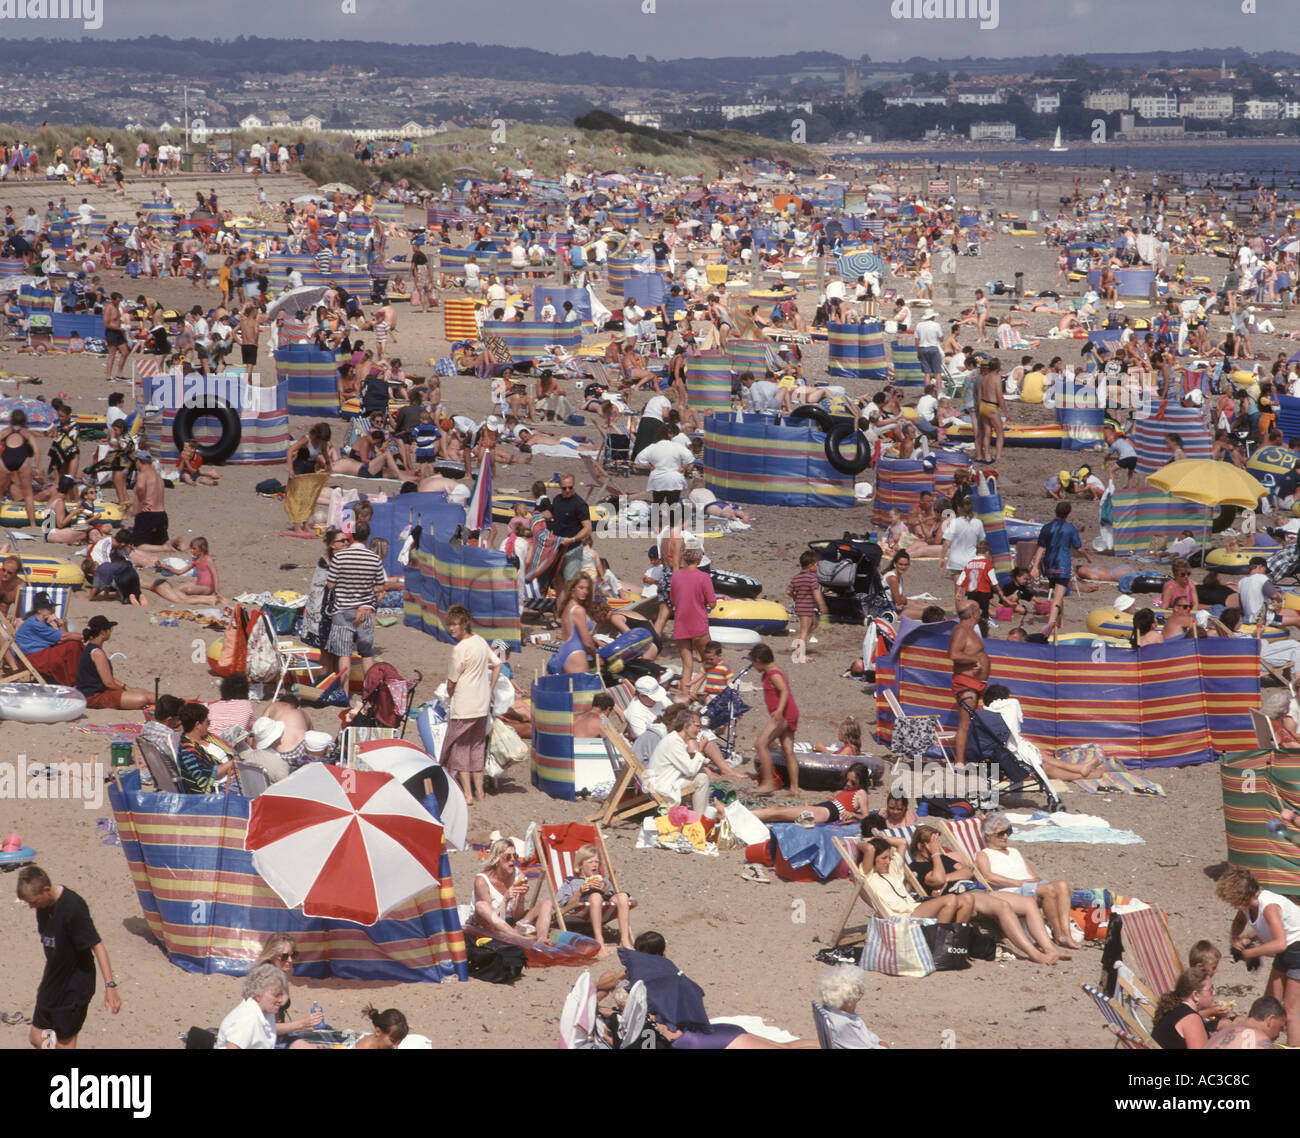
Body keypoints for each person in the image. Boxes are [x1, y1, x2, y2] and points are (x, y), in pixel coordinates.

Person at [907, 825, 1068, 964]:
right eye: (934, 843)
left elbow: (968, 871)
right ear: (922, 846)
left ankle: (1049, 949)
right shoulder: (917, 867)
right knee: (1002, 907)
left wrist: (946, 876)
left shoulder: (942, 859)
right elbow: (936, 879)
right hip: (964, 896)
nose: (938, 846)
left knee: (1028, 903)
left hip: (978, 889)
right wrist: (935, 856)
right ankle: (1034, 954)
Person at [18, 865, 121, 1050]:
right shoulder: (43, 905)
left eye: (33, 901)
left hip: (74, 986)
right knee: (36, 1037)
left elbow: (97, 945)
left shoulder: (73, 908)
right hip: (52, 981)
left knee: (64, 1044)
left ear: (46, 890)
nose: (32, 907)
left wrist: (110, 985)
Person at [1215, 865, 1300, 1043]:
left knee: (1292, 1011)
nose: (1230, 904)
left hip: (1296, 948)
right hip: (1287, 952)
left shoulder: (1269, 907)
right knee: (1270, 1003)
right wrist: (1234, 938)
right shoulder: (1247, 907)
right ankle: (1263, 1042)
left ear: (1240, 895)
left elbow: (1279, 943)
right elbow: (1239, 921)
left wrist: (1251, 953)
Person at [976, 812, 1077, 951]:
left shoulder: (1014, 851)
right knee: (1049, 890)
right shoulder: (984, 854)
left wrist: (1034, 881)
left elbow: (1032, 875)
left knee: (1062, 885)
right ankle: (1059, 935)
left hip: (1029, 886)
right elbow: (988, 877)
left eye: (1008, 832)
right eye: (1001, 833)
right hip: (1012, 891)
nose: (1005, 836)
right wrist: (1020, 883)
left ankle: (1066, 934)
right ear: (988, 836)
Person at [443, 603, 501, 805]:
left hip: (464, 704)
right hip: (481, 703)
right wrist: (490, 687)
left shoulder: (459, 649)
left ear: (464, 624)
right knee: (477, 747)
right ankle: (480, 793)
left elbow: (452, 680)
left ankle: (467, 795)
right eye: (449, 625)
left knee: (460, 749)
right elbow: (498, 663)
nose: (451, 629)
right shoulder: (480, 641)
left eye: (454, 625)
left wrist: (450, 694)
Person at [325, 522, 389, 676]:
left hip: (342, 610)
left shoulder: (339, 557)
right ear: (368, 537)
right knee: (367, 654)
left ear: (351, 536)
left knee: (344, 654)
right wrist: (366, 588)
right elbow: (381, 586)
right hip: (366, 610)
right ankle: (368, 693)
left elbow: (330, 585)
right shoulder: (375, 559)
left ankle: (344, 696)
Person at [554, 843, 634, 955]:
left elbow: (611, 895)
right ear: (581, 865)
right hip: (582, 908)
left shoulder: (603, 880)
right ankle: (599, 941)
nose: (595, 865)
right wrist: (579, 892)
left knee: (623, 896)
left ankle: (625, 940)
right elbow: (562, 905)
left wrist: (605, 890)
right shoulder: (572, 882)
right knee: (596, 896)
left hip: (602, 904)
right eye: (590, 862)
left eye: (597, 862)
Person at [472, 838, 553, 942]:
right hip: (488, 926)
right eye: (507, 856)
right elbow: (489, 921)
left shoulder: (518, 876)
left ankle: (542, 938)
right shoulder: (481, 881)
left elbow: (517, 917)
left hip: (511, 923)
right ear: (496, 859)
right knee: (481, 905)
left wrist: (521, 897)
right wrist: (505, 900)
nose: (513, 859)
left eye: (515, 856)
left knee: (547, 903)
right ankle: (519, 938)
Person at [252, 933, 325, 1043]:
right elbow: (266, 1028)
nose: (290, 960)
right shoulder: (267, 981)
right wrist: (302, 1024)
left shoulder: (284, 973)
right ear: (271, 956)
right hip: (264, 1039)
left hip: (280, 1036)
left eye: (293, 955)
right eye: (284, 956)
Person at [1030, 500, 1089, 631]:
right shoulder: (1070, 528)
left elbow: (1040, 548)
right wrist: (1087, 557)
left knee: (1058, 593)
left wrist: (1035, 566)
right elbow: (1079, 548)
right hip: (1062, 564)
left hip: (1049, 564)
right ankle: (1051, 623)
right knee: (1058, 595)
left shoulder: (1047, 527)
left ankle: (1061, 622)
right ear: (1068, 513)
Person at [749, 642, 799, 796]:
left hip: (782, 715)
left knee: (760, 744)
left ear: (759, 660)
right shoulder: (775, 671)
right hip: (790, 713)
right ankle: (794, 789)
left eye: (753, 662)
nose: (753, 666)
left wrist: (778, 710)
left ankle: (768, 782)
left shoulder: (773, 674)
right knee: (788, 751)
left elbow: (784, 691)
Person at [753, 762, 870, 826]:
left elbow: (866, 816)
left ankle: (746, 815)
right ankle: (748, 816)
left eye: (853, 782)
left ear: (862, 782)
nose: (848, 784)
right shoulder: (852, 790)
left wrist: (854, 815)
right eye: (847, 780)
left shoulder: (861, 793)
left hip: (828, 812)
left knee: (777, 812)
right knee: (779, 815)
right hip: (824, 808)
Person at [75, 614, 152, 709]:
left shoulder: (91, 648)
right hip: (93, 696)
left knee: (142, 691)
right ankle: (169, 701)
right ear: (103, 632)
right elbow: (109, 683)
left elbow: (107, 677)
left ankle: (168, 700)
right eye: (109, 629)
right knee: (141, 699)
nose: (110, 632)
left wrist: (125, 686)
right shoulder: (97, 653)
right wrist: (124, 691)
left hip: (91, 693)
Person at [216, 964, 296, 1050]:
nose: (280, 1000)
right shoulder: (248, 1019)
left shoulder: (267, 1012)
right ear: (258, 994)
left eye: (281, 994)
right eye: (276, 995)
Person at [948, 602, 989, 767]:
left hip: (974, 683)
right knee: (964, 724)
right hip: (966, 683)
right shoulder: (961, 630)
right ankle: (959, 762)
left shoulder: (968, 630)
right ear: (975, 613)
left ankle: (967, 759)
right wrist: (975, 660)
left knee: (971, 723)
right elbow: (953, 654)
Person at [670, 547, 715, 693]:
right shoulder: (703, 577)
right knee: (710, 663)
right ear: (699, 560)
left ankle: (685, 697)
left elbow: (673, 600)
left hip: (681, 624)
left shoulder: (676, 576)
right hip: (698, 624)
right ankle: (703, 692)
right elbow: (712, 603)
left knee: (687, 666)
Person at [814, 965, 888, 1048]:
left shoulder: (830, 1011)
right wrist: (882, 1045)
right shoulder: (845, 1025)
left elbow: (865, 1035)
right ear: (850, 1000)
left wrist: (878, 1041)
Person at [1151, 965, 1215, 1050]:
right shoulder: (1191, 1019)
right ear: (1195, 995)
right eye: (1210, 990)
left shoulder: (1172, 1010)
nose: (1214, 993)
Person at [177, 700, 234, 793]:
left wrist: (235, 765)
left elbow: (231, 751)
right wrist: (232, 764)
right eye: (207, 722)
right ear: (198, 725)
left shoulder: (209, 737)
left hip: (233, 775)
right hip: (221, 788)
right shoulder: (187, 752)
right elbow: (210, 774)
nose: (208, 725)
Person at [150, 536, 225, 605]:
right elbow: (180, 572)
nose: (192, 551)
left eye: (194, 549)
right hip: (199, 583)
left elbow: (215, 575)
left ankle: (205, 599)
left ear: (202, 549)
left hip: (208, 586)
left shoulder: (208, 560)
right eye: (191, 548)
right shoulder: (196, 561)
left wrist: (217, 590)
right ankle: (195, 599)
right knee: (176, 590)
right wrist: (166, 567)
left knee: (188, 590)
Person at [550, 573, 599, 675]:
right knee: (585, 689)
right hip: (576, 654)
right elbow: (587, 643)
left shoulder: (567, 607)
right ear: (573, 588)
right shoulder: (578, 610)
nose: (584, 591)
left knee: (569, 689)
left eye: (587, 589)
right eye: (581, 588)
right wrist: (597, 658)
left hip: (563, 652)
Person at [0, 408, 38, 526]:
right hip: (22, 461)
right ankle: (32, 523)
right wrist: (36, 467)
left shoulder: (6, 431)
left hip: (6, 460)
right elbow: (36, 451)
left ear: (11, 420)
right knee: (28, 493)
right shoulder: (27, 433)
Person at [550, 474, 592, 581]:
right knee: (557, 580)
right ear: (560, 487)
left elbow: (588, 528)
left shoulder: (580, 504)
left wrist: (573, 539)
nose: (567, 490)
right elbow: (552, 517)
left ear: (574, 486)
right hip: (557, 548)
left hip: (573, 549)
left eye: (570, 487)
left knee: (571, 582)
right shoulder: (557, 500)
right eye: (564, 488)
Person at [1205, 995, 1287, 1049]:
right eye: (1280, 1028)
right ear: (1270, 1020)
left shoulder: (1222, 1033)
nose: (1278, 1035)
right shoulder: (1257, 1038)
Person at [787, 548, 828, 650]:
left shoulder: (796, 578)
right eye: (817, 565)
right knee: (805, 631)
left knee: (814, 623)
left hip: (800, 607)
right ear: (811, 566)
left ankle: (799, 640)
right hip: (807, 607)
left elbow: (788, 591)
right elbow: (816, 592)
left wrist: (795, 597)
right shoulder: (812, 578)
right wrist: (822, 605)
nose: (818, 567)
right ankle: (801, 653)